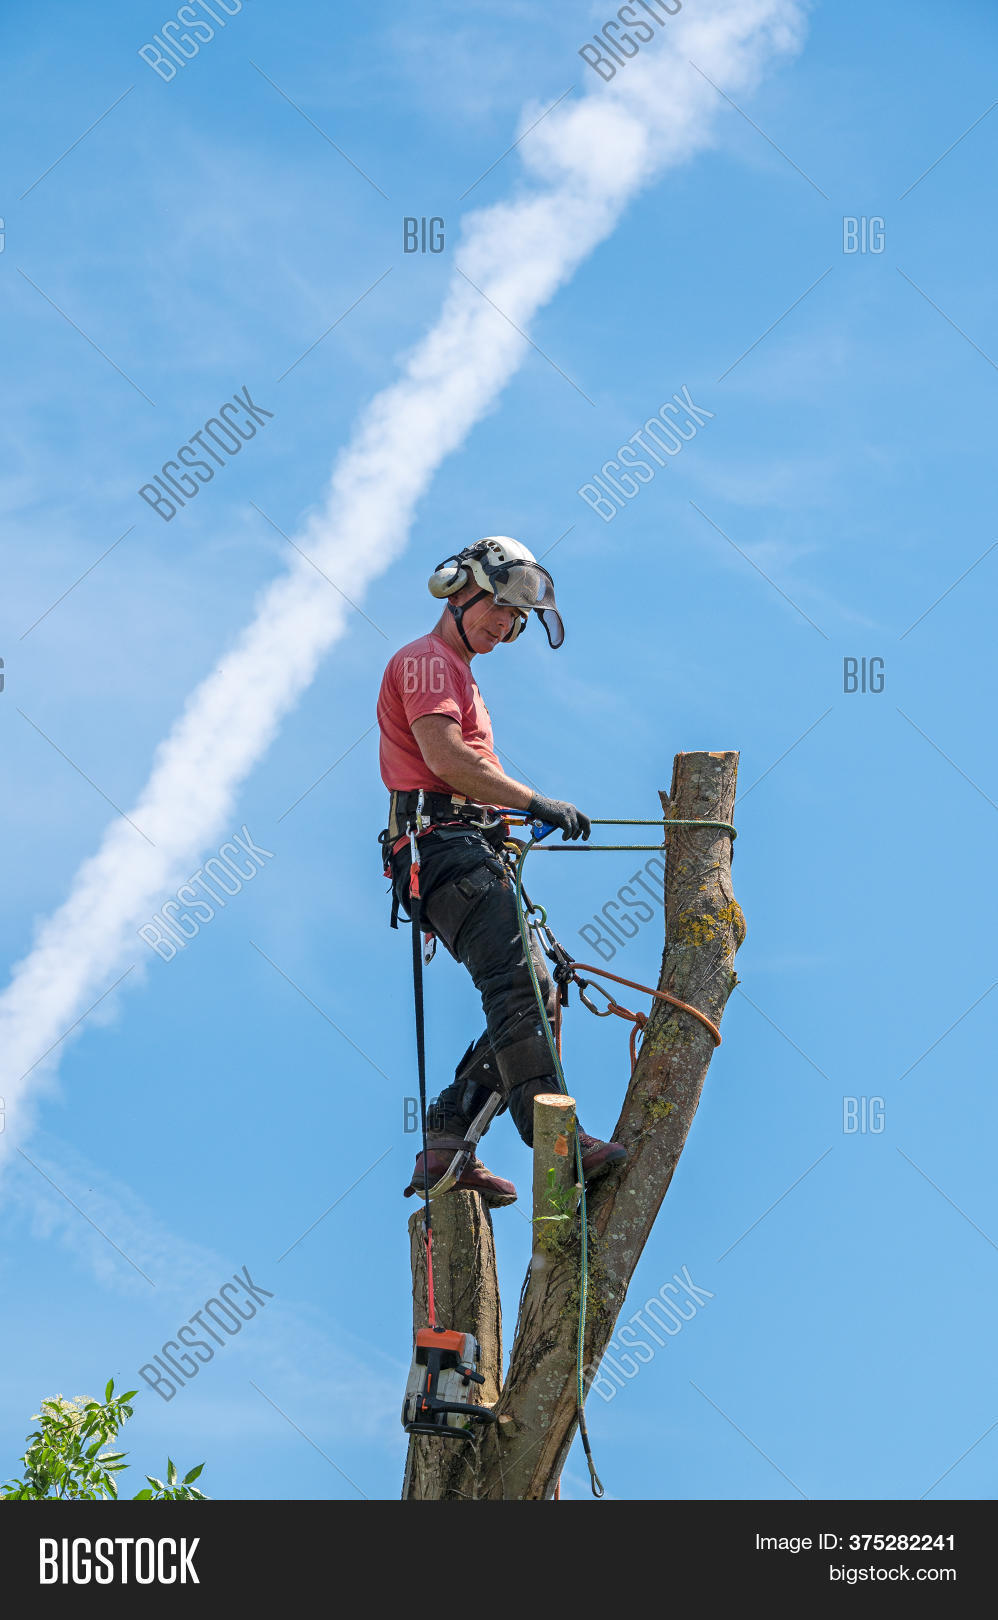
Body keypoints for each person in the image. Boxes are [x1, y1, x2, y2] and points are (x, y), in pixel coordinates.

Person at [377, 536, 626, 1207]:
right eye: (500, 608)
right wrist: (533, 800)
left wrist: (502, 818)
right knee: (522, 989)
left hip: (459, 849)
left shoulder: (458, 673)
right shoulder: (428, 662)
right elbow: (450, 762)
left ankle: (449, 1138)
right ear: (457, 587)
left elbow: (456, 780)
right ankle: (555, 1141)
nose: (507, 626)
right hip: (445, 854)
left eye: (518, 619)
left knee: (536, 995)